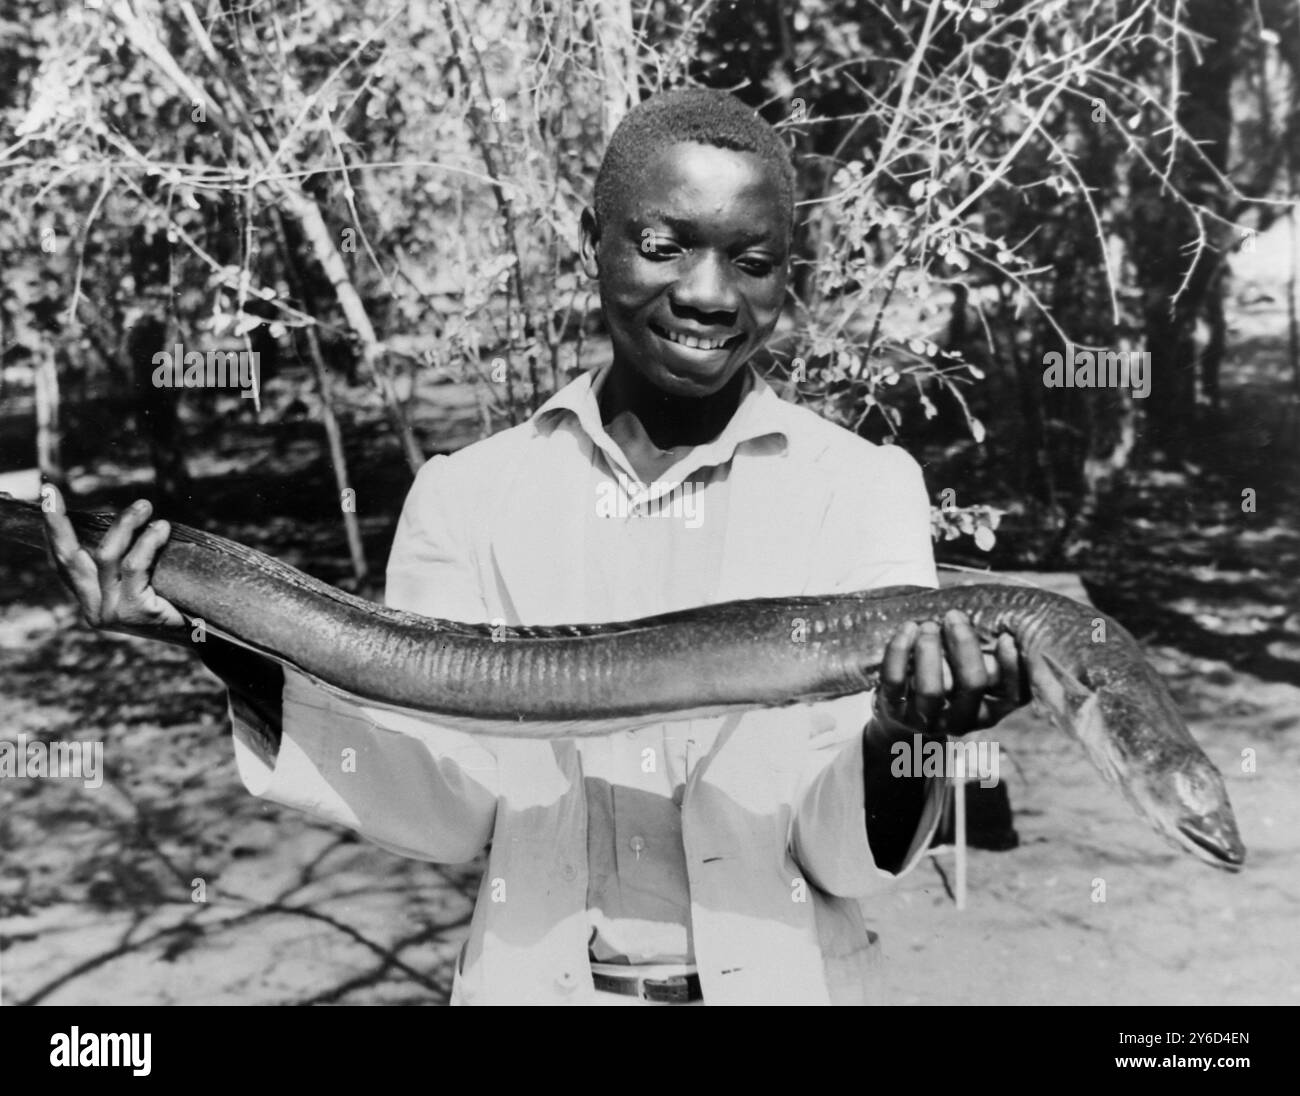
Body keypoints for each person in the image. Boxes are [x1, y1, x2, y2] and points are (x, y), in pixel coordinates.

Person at [41, 88, 1027, 1005]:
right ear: (592, 237)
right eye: (664, 245)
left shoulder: (859, 491)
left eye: (754, 261)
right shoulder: (467, 497)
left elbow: (846, 860)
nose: (711, 294)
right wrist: (215, 642)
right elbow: (448, 810)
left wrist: (907, 731)